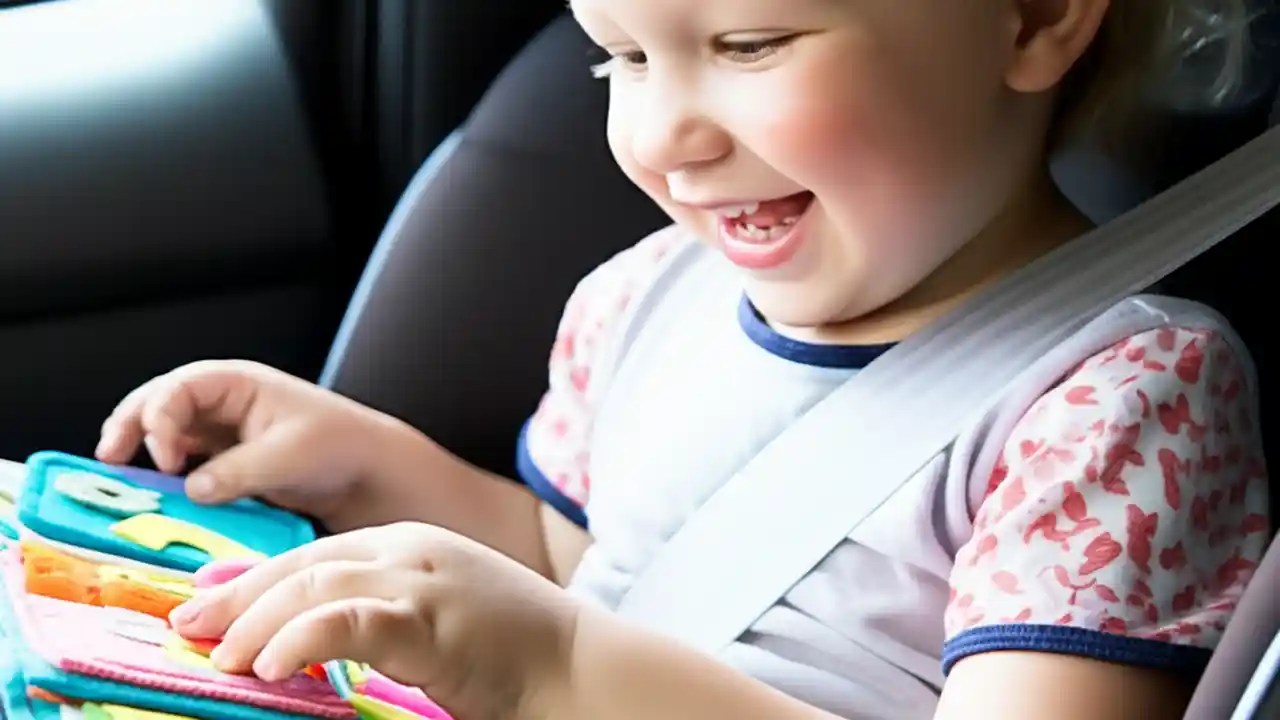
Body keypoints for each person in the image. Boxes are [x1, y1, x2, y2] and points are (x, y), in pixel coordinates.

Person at [94, 0, 1271, 717]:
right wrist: (362, 463)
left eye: (749, 44)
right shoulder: (646, 295)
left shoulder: (1119, 400)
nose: (662, 135)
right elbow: (587, 563)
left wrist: (553, 668)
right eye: (621, 59)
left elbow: (559, 629)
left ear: (1029, 15)